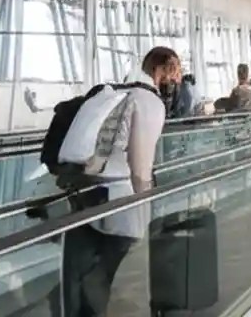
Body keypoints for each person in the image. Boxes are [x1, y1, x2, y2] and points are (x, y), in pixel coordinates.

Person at [62, 45, 173, 316]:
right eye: (176, 72)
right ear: (160, 70)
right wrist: (145, 209)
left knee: (84, 270)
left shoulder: (119, 92)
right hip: (118, 195)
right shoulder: (149, 101)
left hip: (85, 188)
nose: (178, 80)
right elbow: (140, 167)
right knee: (108, 271)